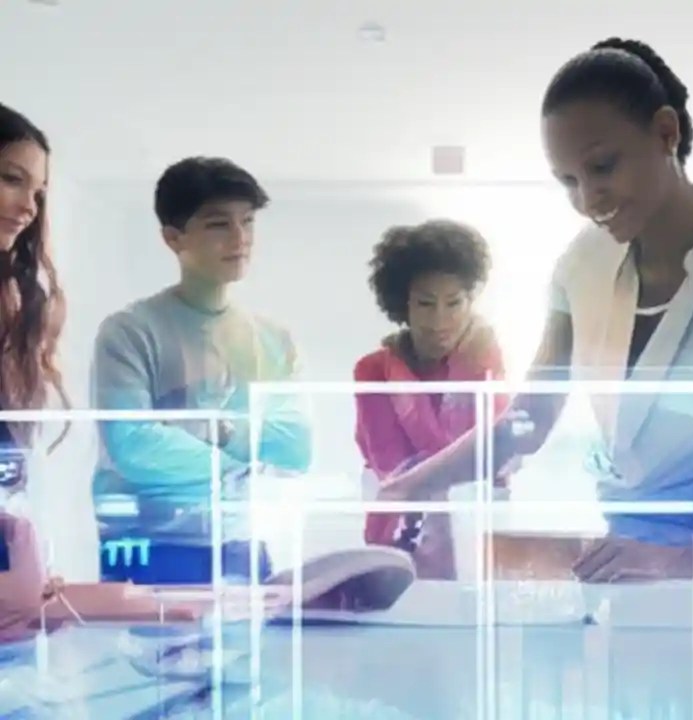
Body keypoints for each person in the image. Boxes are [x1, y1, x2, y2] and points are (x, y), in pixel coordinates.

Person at [378, 37, 693, 582]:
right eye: (569, 181)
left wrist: (674, 560)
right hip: (622, 564)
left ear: (666, 132)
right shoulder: (580, 264)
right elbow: (527, 422)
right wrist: (415, 484)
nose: (589, 200)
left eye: (603, 167)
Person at [91, 157, 312, 585]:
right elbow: (133, 447)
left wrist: (215, 431)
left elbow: (295, 449)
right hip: (146, 545)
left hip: (242, 543)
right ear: (174, 238)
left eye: (247, 222)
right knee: (141, 653)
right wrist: (243, 461)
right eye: (218, 225)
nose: (240, 238)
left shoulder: (274, 339)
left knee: (249, 651)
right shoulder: (129, 332)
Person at [355, 220, 506, 579]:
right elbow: (391, 464)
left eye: (454, 303)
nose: (440, 320)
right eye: (425, 303)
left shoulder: (486, 360)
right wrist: (457, 463)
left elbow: (495, 458)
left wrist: (475, 367)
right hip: (400, 532)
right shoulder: (374, 369)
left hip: (478, 532)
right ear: (402, 305)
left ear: (471, 301)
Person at [0, 103, 71, 636]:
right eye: (10, 180)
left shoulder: (21, 297)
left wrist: (29, 565)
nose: (28, 206)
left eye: (39, 191)